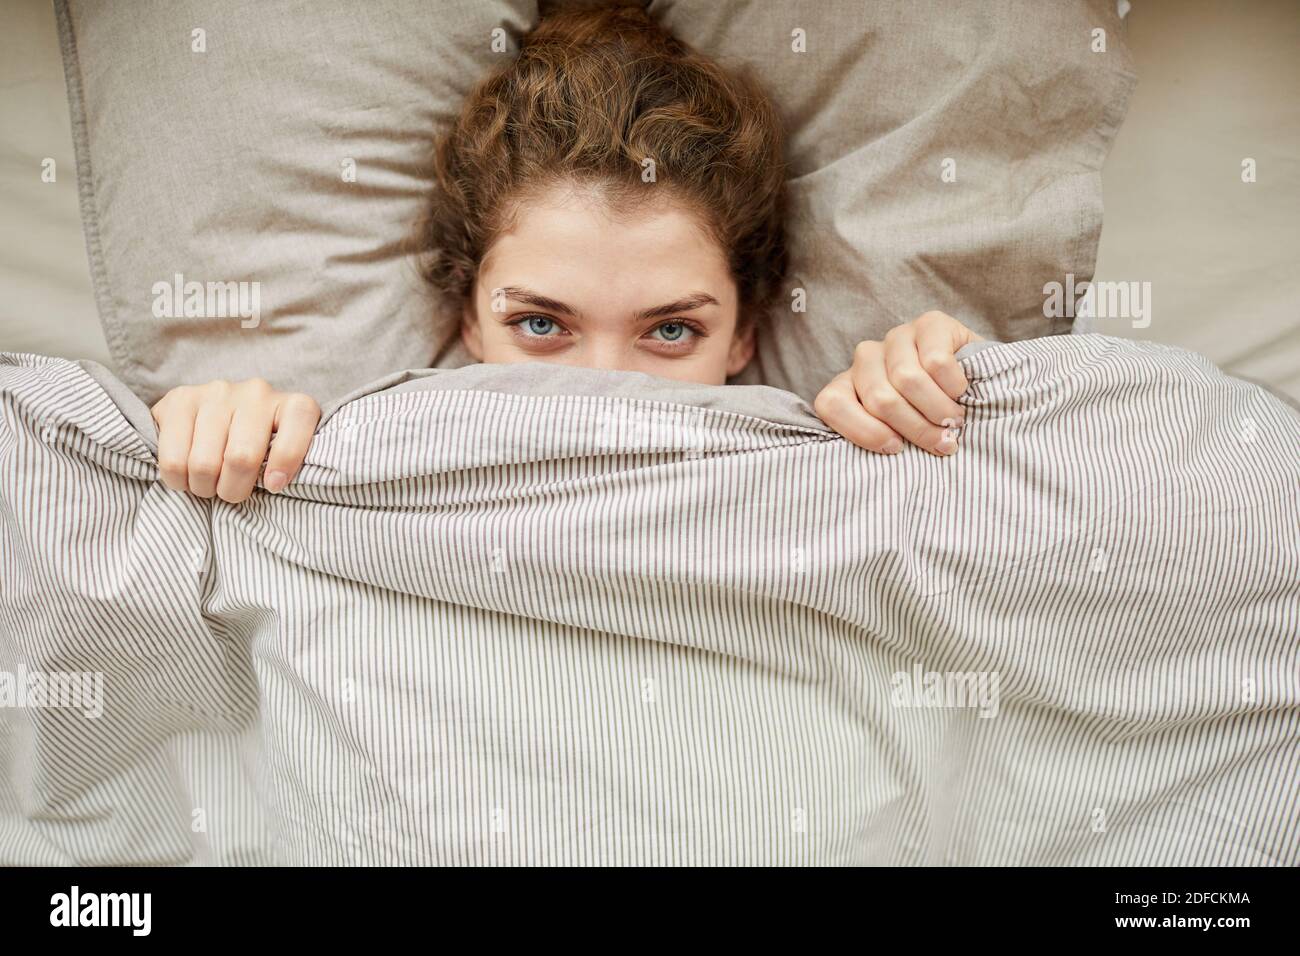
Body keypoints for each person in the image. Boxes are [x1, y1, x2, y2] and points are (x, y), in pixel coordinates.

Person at [151, 5, 982, 504]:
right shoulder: (346, 461)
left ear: (744, 337)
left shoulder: (834, 466)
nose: (602, 396)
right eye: (542, 323)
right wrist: (213, 439)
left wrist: (956, 397)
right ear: (469, 322)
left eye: (669, 333)